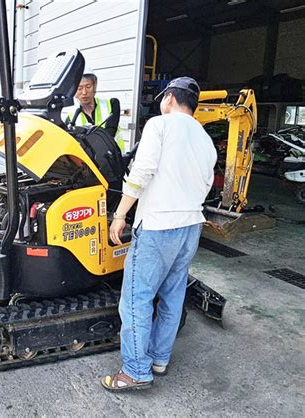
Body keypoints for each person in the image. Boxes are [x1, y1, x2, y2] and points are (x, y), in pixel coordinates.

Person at [101, 77, 217, 391]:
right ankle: (158, 359)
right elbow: (207, 183)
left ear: (169, 99)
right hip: (190, 226)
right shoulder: (205, 138)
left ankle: (135, 371)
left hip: (158, 227)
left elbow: (142, 171)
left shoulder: (159, 125)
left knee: (136, 299)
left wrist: (120, 214)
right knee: (172, 295)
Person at [66, 66, 125, 152]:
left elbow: (110, 133)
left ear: (95, 86)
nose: (84, 92)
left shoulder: (112, 104)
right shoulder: (71, 117)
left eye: (88, 86)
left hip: (115, 157)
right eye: (79, 88)